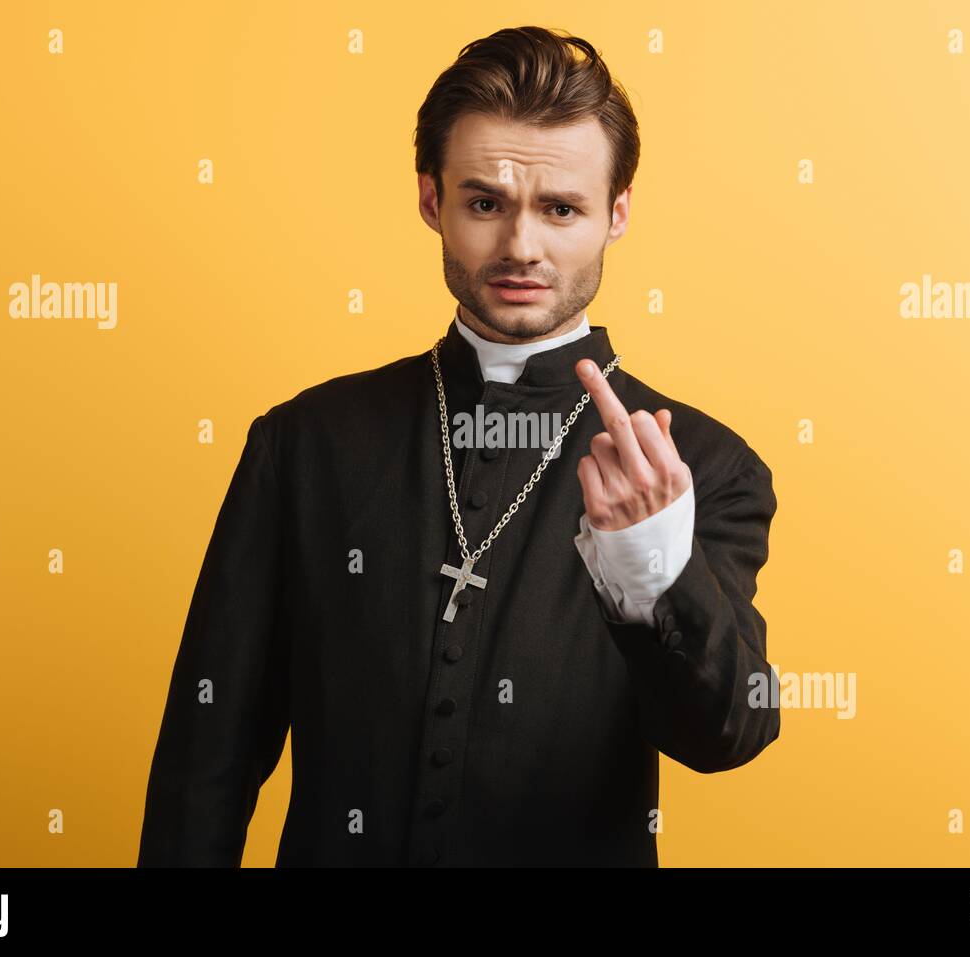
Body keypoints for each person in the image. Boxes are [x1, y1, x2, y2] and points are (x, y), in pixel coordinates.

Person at [137, 25, 779, 868]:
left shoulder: (704, 461)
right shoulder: (304, 442)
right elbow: (205, 757)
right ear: (431, 200)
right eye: (485, 202)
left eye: (561, 209)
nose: (521, 246)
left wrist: (653, 568)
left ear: (615, 215)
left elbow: (728, 732)